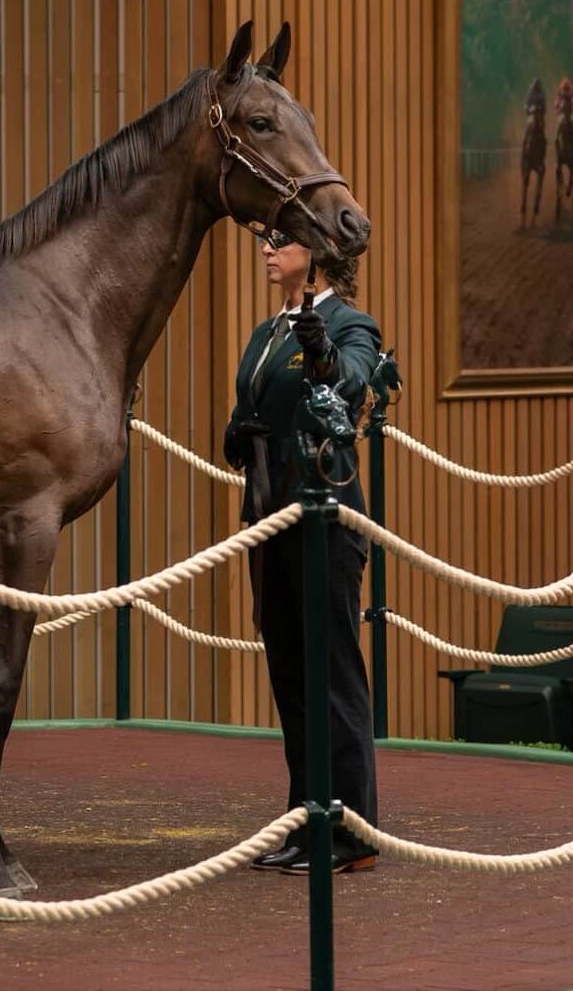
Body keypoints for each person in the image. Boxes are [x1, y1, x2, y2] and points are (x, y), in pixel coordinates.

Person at [223, 234, 381, 874]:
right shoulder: (265, 334)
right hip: (272, 519)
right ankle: (306, 821)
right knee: (290, 678)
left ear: (314, 255)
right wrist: (238, 434)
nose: (266, 248)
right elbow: (246, 411)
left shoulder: (349, 323)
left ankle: (353, 834)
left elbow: (348, 385)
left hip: (325, 521)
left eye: (280, 241)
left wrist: (322, 353)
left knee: (333, 676)